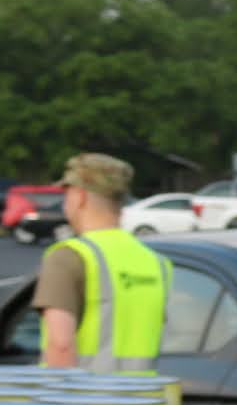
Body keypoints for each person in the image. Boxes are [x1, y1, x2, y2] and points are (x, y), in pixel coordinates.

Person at [33, 152, 171, 371]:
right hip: (141, 401)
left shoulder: (68, 257)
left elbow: (60, 345)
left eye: (67, 195)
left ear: (80, 197)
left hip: (89, 402)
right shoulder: (156, 262)